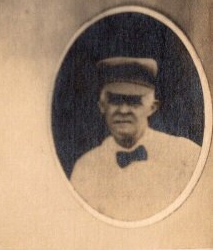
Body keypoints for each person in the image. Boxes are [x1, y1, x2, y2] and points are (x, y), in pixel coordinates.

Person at [70, 57, 201, 221]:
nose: (123, 110)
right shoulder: (85, 168)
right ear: (102, 106)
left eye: (134, 101)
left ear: (152, 107)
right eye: (115, 100)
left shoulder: (186, 156)